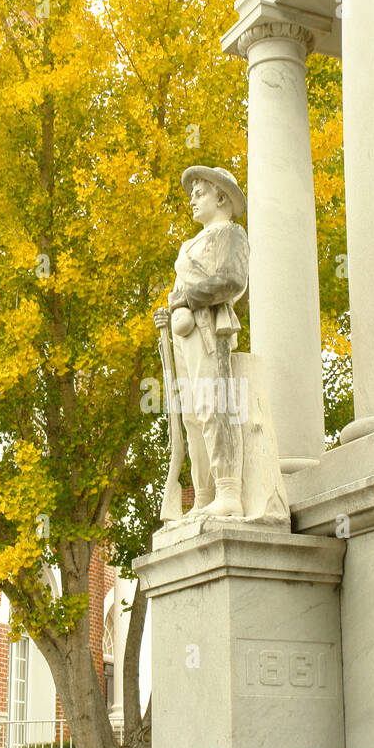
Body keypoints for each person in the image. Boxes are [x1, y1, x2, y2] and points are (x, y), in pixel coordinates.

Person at [168, 166, 249, 516]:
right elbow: (178, 295)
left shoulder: (230, 234)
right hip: (183, 335)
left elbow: (233, 281)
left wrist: (188, 298)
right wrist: (169, 311)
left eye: (199, 193)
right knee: (190, 417)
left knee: (214, 405)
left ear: (221, 197)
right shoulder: (188, 246)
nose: (192, 201)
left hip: (209, 330)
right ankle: (203, 494)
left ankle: (228, 490)